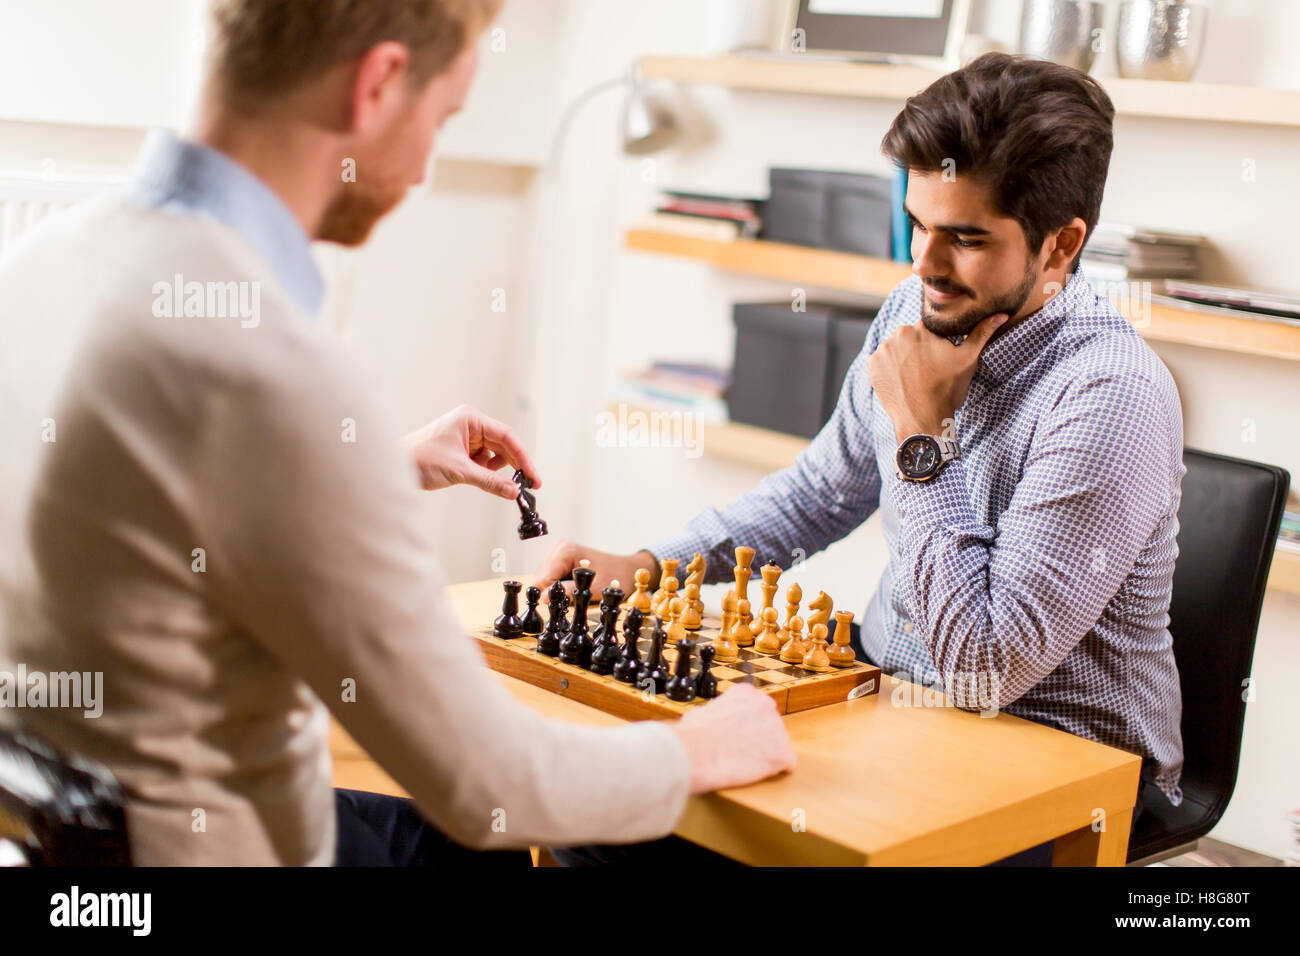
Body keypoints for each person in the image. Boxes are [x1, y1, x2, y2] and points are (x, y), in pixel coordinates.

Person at [0, 0, 795, 867]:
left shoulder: (36, 264)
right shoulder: (267, 370)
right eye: (443, 117)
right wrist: (695, 749)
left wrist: (366, 469)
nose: (425, 165)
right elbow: (490, 786)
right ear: (378, 84)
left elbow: (114, 500)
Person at [538, 53, 1185, 865]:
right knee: (607, 820)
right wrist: (647, 566)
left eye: (966, 239)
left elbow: (983, 672)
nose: (925, 264)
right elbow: (816, 495)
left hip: (1054, 760)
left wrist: (921, 439)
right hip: (891, 700)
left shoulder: (1111, 395)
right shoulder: (912, 310)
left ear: (1061, 246)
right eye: (917, 223)